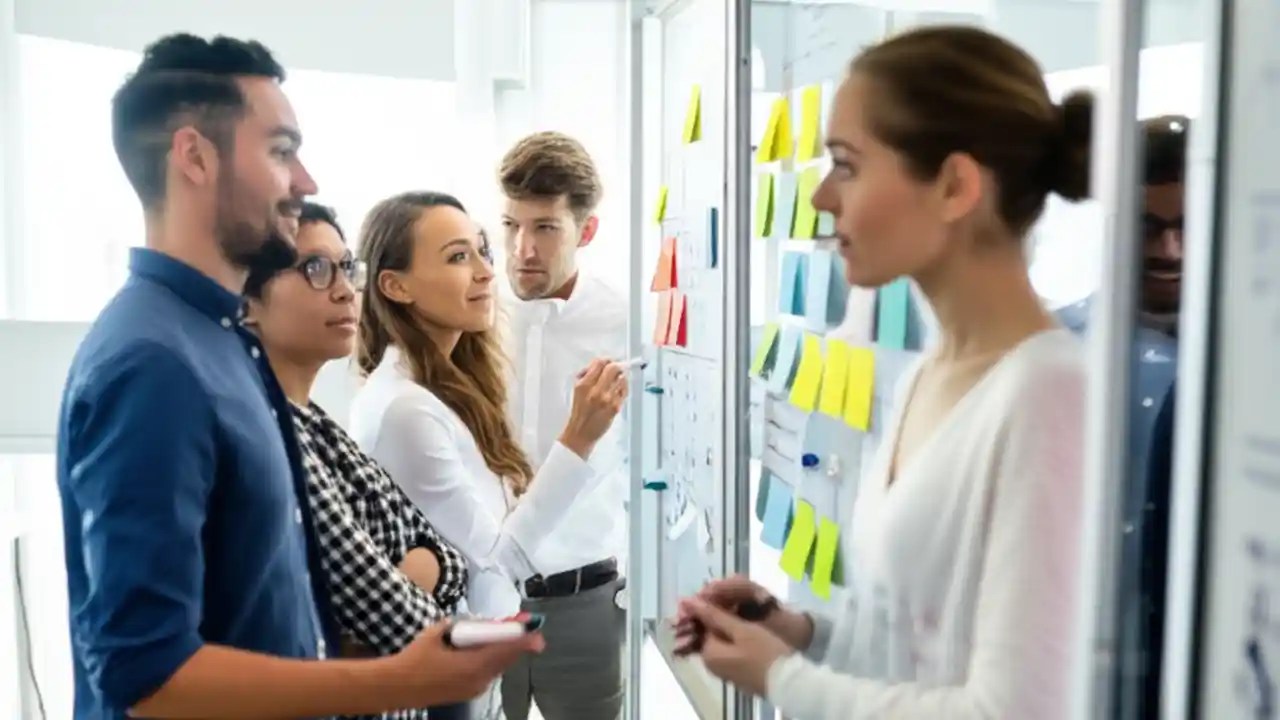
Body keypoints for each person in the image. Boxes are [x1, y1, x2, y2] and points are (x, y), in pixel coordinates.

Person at [55, 34, 537, 719]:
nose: (304, 181)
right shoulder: (153, 365)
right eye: (281, 151)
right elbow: (147, 675)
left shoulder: (222, 344)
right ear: (194, 157)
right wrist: (401, 679)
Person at [674, 25, 1090, 718]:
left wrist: (781, 678)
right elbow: (912, 646)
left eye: (846, 165)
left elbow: (1013, 709)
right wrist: (797, 632)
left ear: (954, 186)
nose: (821, 198)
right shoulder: (931, 371)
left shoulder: (1049, 392)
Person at [347, 191, 628, 720]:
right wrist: (579, 438)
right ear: (395, 286)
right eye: (458, 257)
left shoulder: (443, 391)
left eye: (482, 251)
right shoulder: (406, 410)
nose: (485, 272)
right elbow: (497, 562)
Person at [243, 202, 475, 720]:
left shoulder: (318, 422)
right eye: (315, 268)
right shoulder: (273, 432)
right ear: (247, 300)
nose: (346, 290)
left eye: (347, 267)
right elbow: (406, 622)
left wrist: (422, 571)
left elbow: (452, 561)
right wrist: (416, 577)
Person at [496, 131, 630, 720]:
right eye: (511, 225)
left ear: (587, 231)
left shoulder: (628, 325)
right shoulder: (474, 316)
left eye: (546, 228)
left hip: (587, 604)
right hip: (483, 600)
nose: (523, 249)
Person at [1058, 114, 1188, 717]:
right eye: (1149, 228)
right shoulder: (1051, 351)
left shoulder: (1249, 372)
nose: (1169, 251)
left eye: (1188, 227)